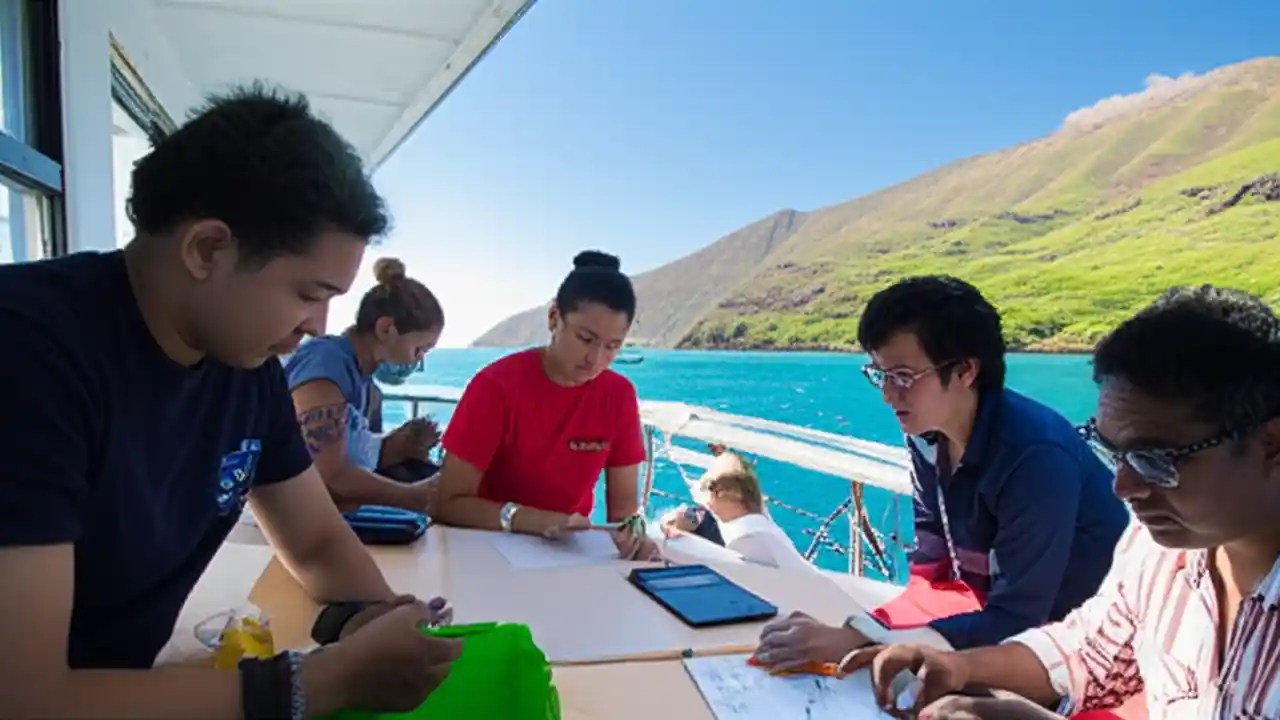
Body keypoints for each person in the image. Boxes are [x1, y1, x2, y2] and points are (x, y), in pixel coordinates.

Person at [0, 84, 459, 719]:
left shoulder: (245, 366)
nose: (319, 326)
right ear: (208, 249)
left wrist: (379, 624)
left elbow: (317, 542)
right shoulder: (28, 350)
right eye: (308, 293)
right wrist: (313, 685)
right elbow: (25, 696)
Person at [854, 285, 1280, 719]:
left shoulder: (1035, 451)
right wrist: (956, 666)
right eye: (1114, 453)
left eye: (1155, 460)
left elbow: (1020, 612)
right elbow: (1090, 651)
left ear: (1271, 444)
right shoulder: (1156, 549)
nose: (1123, 487)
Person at [754, 275, 1128, 670]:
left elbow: (1019, 619)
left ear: (965, 371)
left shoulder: (1035, 456)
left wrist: (860, 641)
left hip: (1083, 655)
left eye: (903, 377)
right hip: (1006, 629)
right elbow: (933, 574)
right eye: (880, 374)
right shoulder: (929, 438)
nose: (887, 394)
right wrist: (864, 631)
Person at [432, 251, 661, 560]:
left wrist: (635, 539)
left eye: (612, 346)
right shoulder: (496, 385)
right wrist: (532, 520)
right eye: (585, 338)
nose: (595, 359)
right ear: (554, 318)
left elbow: (623, 512)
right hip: (481, 550)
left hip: (566, 556)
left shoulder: (618, 395)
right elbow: (448, 503)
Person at [285, 257, 444, 511]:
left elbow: (357, 464)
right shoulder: (325, 363)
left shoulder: (369, 389)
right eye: (419, 349)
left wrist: (399, 445)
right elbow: (327, 476)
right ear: (386, 329)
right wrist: (413, 496)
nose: (419, 361)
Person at [660, 447, 811, 572]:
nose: (709, 499)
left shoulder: (744, 541)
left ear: (731, 494)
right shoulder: (758, 519)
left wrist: (683, 535)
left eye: (713, 490)